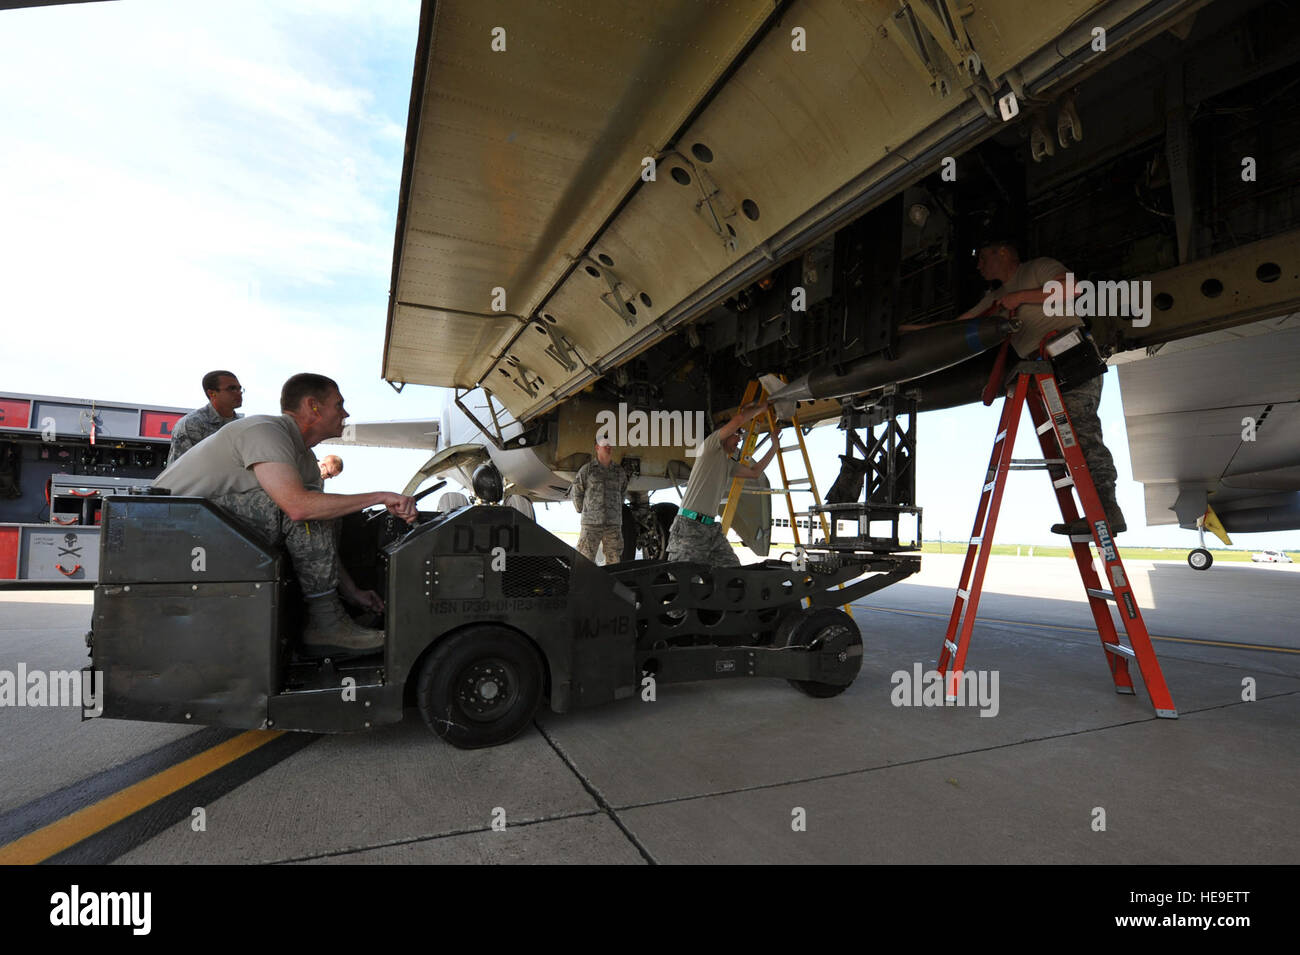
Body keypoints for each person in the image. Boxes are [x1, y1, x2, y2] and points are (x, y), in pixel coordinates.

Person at [153, 373, 417, 655]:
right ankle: (325, 624)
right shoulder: (265, 430)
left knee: (323, 509)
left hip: (198, 531)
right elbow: (299, 508)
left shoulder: (303, 459)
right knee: (307, 509)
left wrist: (352, 592)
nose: (346, 413)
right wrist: (380, 496)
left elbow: (317, 529)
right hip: (164, 529)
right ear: (313, 406)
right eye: (338, 405)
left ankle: (329, 616)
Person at [905, 238, 1125, 535]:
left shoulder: (1037, 269)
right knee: (1066, 445)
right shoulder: (995, 298)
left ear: (1003, 252)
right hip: (1045, 370)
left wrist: (1021, 296)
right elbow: (956, 327)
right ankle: (1093, 514)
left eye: (982, 257)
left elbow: (1071, 289)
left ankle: (1107, 514)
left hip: (1071, 359)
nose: (978, 265)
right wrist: (908, 333)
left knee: (1083, 437)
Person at [665, 401, 779, 565]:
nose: (739, 439)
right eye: (737, 434)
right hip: (689, 527)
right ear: (724, 434)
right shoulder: (709, 447)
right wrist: (761, 408)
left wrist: (774, 447)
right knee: (683, 581)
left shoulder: (728, 463)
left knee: (733, 573)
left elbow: (755, 473)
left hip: (711, 529)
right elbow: (738, 420)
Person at [570, 437, 629, 564]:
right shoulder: (588, 470)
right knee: (584, 559)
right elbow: (576, 491)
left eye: (610, 445)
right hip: (591, 524)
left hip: (613, 525)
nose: (608, 447)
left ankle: (611, 584)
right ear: (597, 448)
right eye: (604, 445)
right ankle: (584, 584)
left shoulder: (619, 472)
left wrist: (615, 509)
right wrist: (584, 510)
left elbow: (623, 492)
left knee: (614, 560)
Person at [167, 370, 244, 464]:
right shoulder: (192, 423)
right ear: (212, 393)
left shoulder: (241, 425)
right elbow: (180, 468)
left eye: (239, 389)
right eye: (231, 389)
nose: (238, 393)